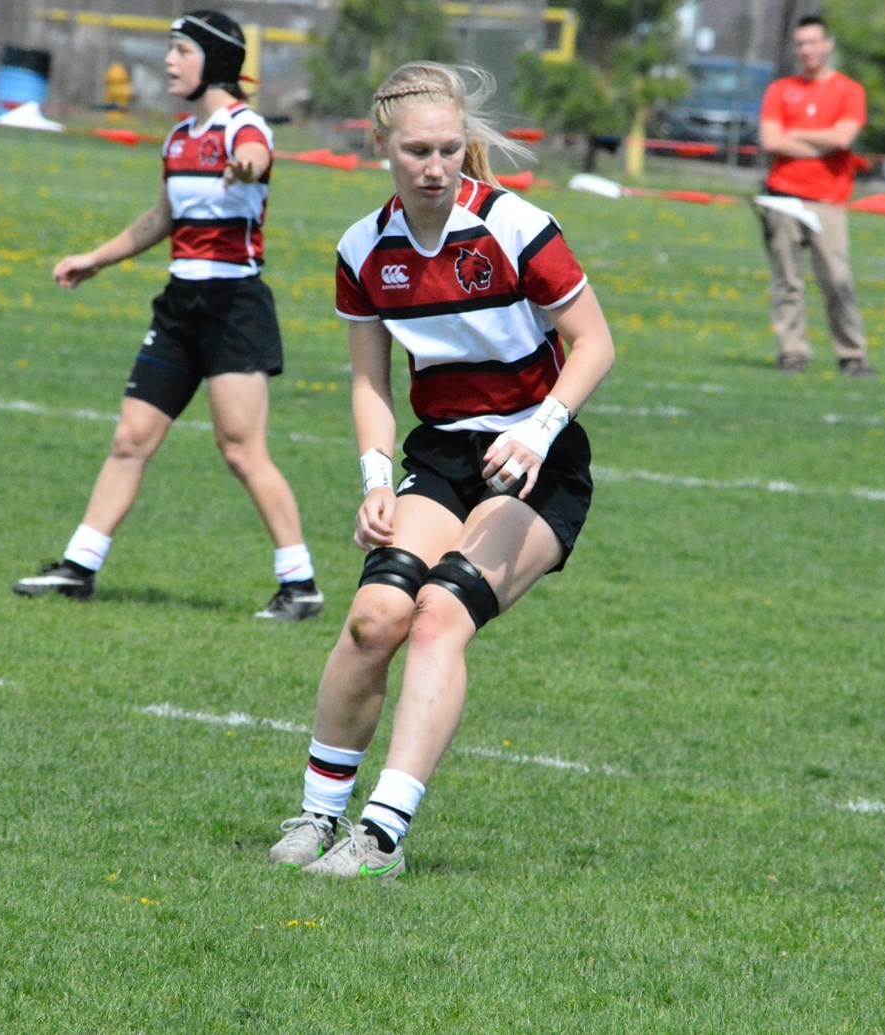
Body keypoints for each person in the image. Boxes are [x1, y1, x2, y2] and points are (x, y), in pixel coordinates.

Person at [266, 61, 616, 879]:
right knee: (373, 618)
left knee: (437, 618)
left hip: (540, 463)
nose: (435, 166)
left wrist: (537, 430)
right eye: (417, 149)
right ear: (379, 145)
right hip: (442, 454)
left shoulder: (516, 226)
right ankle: (319, 815)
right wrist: (374, 480)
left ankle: (381, 834)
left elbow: (595, 343)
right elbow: (368, 381)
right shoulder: (364, 248)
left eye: (450, 149)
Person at [12, 10, 324, 621]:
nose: (168, 61)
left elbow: (257, 156)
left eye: (181, 50)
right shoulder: (178, 138)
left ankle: (300, 584)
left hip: (234, 306)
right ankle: (79, 567)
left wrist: (246, 167)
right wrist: (95, 260)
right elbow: (162, 219)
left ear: (216, 61)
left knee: (240, 450)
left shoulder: (243, 127)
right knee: (130, 438)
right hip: (180, 306)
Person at [756, 14, 875, 378]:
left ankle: (852, 355)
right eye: (800, 43)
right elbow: (770, 141)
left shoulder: (849, 90)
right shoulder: (780, 90)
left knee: (838, 280)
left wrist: (797, 138)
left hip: (828, 199)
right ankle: (792, 352)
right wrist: (821, 142)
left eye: (813, 42)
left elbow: (844, 138)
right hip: (782, 195)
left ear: (827, 44)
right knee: (787, 281)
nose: (806, 50)